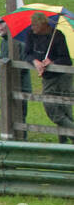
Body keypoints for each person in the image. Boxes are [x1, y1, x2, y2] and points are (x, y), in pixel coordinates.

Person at [24, 13, 74, 144]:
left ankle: (63, 144)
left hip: (63, 77)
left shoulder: (57, 36)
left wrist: (52, 62)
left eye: (35, 24)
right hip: (48, 78)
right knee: (50, 107)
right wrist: (36, 62)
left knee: (65, 109)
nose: (32, 27)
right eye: (32, 24)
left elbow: (66, 60)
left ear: (44, 25)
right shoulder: (30, 34)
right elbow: (27, 53)